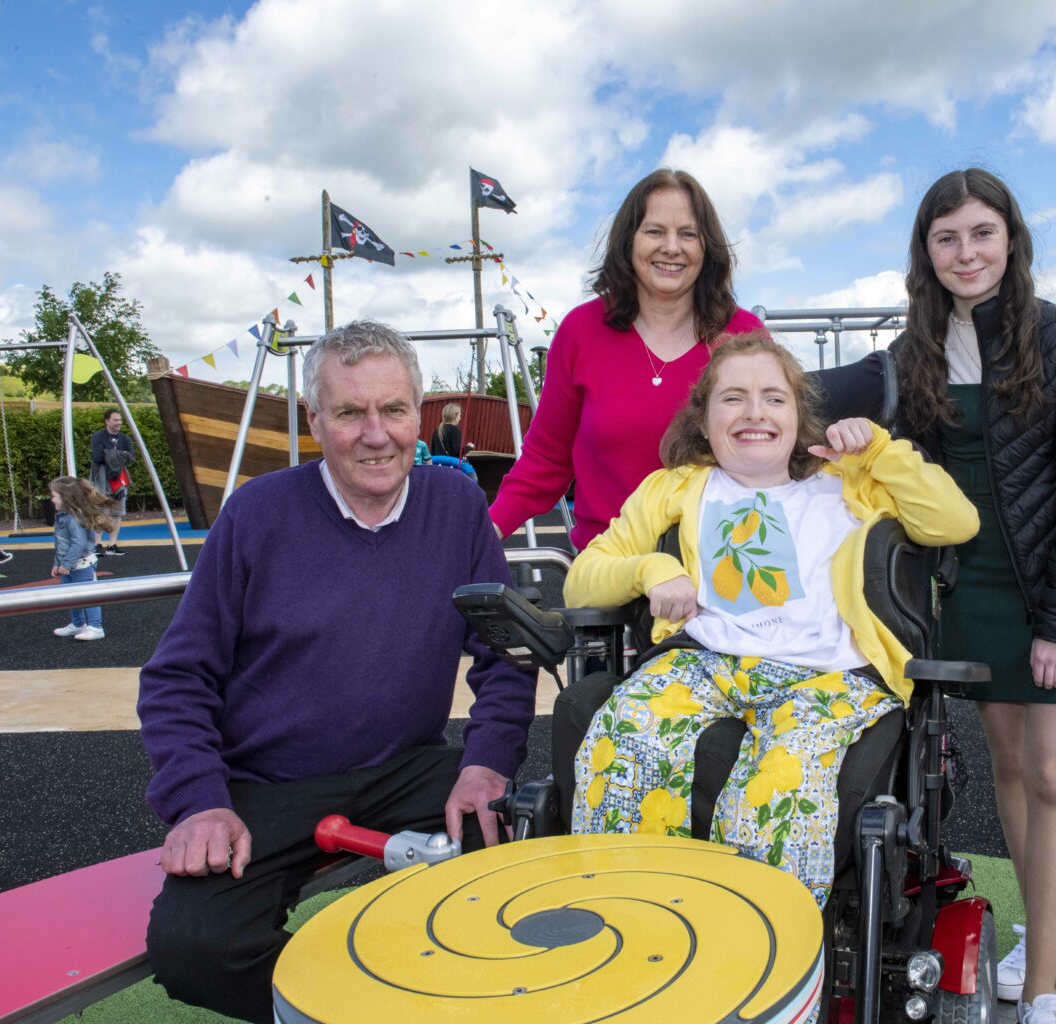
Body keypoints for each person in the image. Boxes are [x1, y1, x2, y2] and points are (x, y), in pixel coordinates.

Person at [137, 320, 538, 1023]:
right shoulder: (257, 514)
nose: (376, 433)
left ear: (420, 414)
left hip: (406, 765)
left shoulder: (457, 506)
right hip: (268, 779)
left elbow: (501, 651)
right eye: (351, 412)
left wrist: (486, 762)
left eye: (394, 410)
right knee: (195, 946)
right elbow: (177, 677)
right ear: (316, 420)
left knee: (522, 844)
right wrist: (199, 799)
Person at [565, 332, 977, 906]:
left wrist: (880, 450)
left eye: (773, 398)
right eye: (732, 398)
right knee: (624, 736)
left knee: (782, 781)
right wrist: (652, 569)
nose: (754, 412)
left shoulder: (849, 481)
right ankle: (636, 916)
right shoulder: (676, 488)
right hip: (704, 664)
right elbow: (583, 576)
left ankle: (765, 946)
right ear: (704, 419)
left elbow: (955, 523)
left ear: (799, 416)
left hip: (827, 675)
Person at [891, 169, 1056, 1024]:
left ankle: (1047, 994)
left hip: (1052, 581)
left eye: (982, 233)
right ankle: (1043, 930)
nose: (966, 252)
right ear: (927, 251)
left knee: (1055, 772)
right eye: (947, 238)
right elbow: (903, 468)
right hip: (970, 585)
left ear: (1011, 239)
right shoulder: (916, 349)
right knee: (1011, 766)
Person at [489, 169, 764, 549]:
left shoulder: (745, 335)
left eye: (687, 233)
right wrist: (486, 531)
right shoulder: (580, 332)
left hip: (722, 567)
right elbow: (546, 460)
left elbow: (781, 446)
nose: (671, 247)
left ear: (707, 247)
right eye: (654, 231)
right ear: (628, 241)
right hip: (610, 570)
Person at [48, 476, 113, 640]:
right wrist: (58, 563)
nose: (52, 499)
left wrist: (66, 563)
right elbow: (61, 544)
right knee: (71, 596)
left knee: (88, 595)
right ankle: (78, 624)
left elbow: (79, 543)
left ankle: (96, 627)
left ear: (66, 498)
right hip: (68, 565)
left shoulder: (74, 519)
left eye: (54, 495)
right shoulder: (63, 516)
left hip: (82, 565)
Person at [90, 408, 135, 555]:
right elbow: (98, 457)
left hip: (119, 480)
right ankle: (97, 544)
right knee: (100, 511)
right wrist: (119, 455)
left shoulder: (125, 439)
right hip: (101, 479)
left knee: (117, 512)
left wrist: (109, 454)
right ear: (107, 421)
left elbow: (131, 457)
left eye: (120, 420)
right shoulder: (98, 437)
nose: (118, 423)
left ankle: (112, 544)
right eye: (115, 420)